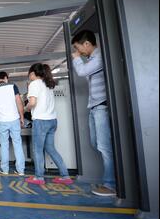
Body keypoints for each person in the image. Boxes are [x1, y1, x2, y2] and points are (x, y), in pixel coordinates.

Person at [71, 30, 116, 197]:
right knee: (96, 143)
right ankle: (110, 178)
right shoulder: (92, 59)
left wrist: (76, 59)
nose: (78, 51)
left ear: (87, 44)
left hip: (101, 106)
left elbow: (82, 72)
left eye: (78, 47)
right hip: (95, 106)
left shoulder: (99, 57)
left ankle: (110, 184)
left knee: (104, 146)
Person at [24, 63, 73, 185]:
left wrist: (26, 108)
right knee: (50, 148)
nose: (29, 76)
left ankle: (39, 177)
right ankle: (65, 175)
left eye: (29, 74)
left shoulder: (34, 84)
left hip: (41, 121)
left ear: (33, 73)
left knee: (38, 150)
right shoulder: (48, 84)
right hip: (52, 120)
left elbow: (33, 103)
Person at [0, 72, 25, 176]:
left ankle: (5, 170)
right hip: (14, 119)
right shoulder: (12, 86)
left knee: (4, 145)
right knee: (17, 144)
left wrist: (0, 112)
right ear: (5, 78)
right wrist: (21, 117)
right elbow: (19, 102)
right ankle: (21, 170)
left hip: (1, 121)